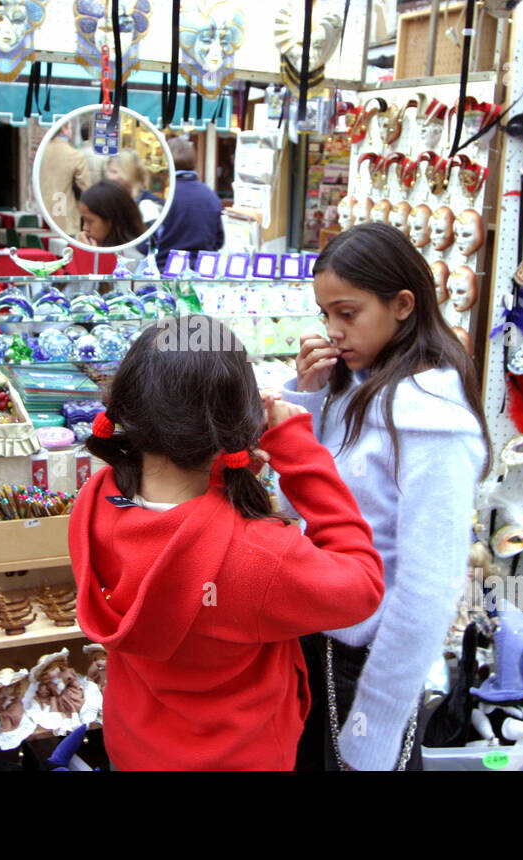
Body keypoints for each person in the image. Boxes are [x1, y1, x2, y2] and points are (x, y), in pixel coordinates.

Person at [69, 315, 384, 770]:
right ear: (237, 422)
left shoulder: (98, 502)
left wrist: (230, 463)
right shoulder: (260, 556)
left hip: (136, 746)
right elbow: (362, 584)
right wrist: (299, 450)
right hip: (240, 756)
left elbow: (184, 532)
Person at [283, 223, 490, 771]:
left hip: (366, 658)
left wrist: (379, 715)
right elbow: (301, 501)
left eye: (347, 314)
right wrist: (307, 401)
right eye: (325, 314)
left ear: (402, 305)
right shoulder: (357, 387)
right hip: (318, 637)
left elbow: (427, 588)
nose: (332, 331)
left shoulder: (432, 425)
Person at [150, 137, 223, 269]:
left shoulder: (165, 195)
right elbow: (218, 240)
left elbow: (148, 244)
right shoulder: (210, 195)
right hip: (203, 271)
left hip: (166, 270)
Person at [38, 127, 91, 236]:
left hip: (42, 211)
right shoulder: (75, 155)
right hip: (64, 213)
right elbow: (86, 187)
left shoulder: (41, 152)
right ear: (64, 129)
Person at [78, 180, 147, 254]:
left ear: (112, 220)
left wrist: (89, 255)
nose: (85, 228)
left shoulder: (135, 255)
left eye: (90, 221)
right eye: (83, 220)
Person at [107, 149, 163, 226]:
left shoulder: (147, 206)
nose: (109, 177)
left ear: (128, 174)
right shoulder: (116, 200)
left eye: (114, 172)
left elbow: (152, 237)